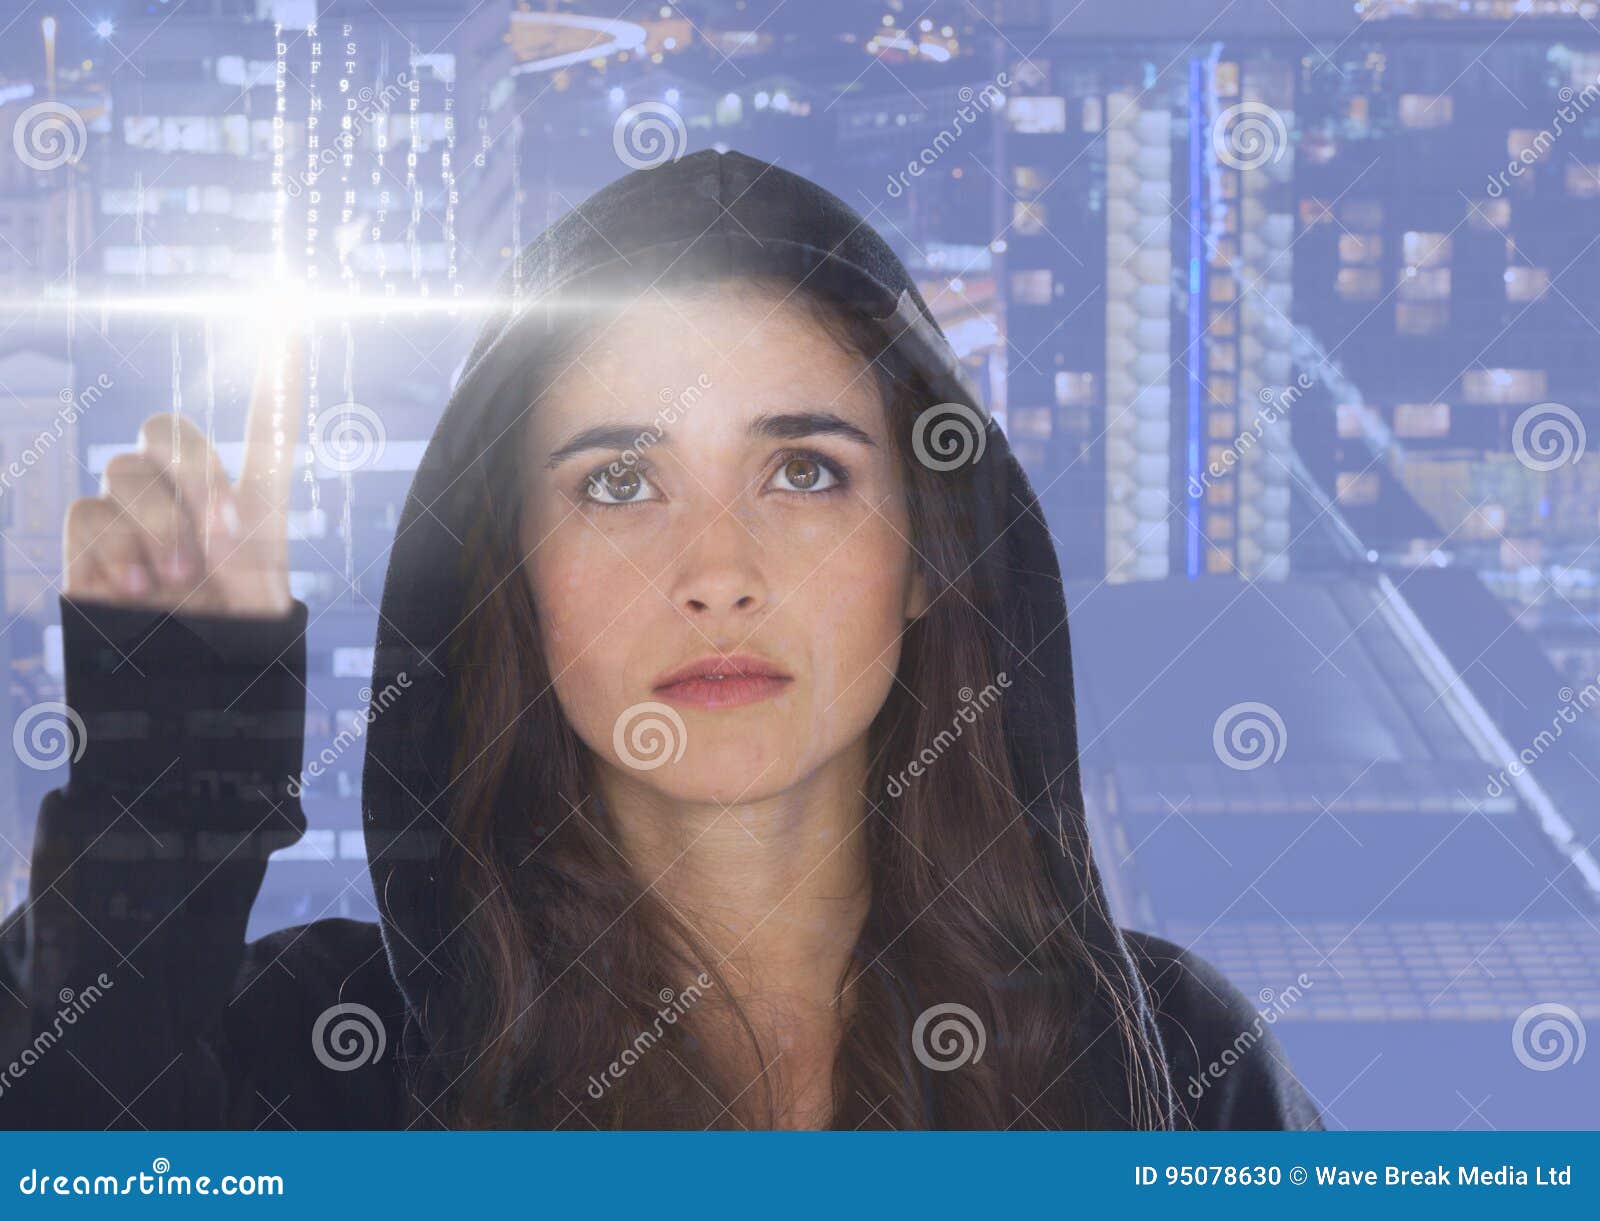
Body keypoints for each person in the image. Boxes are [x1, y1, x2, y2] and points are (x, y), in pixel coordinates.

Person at [0, 149, 1322, 1131]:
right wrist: (172, 783)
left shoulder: (1171, 1064)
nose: (717, 574)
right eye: (618, 484)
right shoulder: (327, 1052)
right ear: (513, 575)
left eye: (802, 471)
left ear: (929, 549)